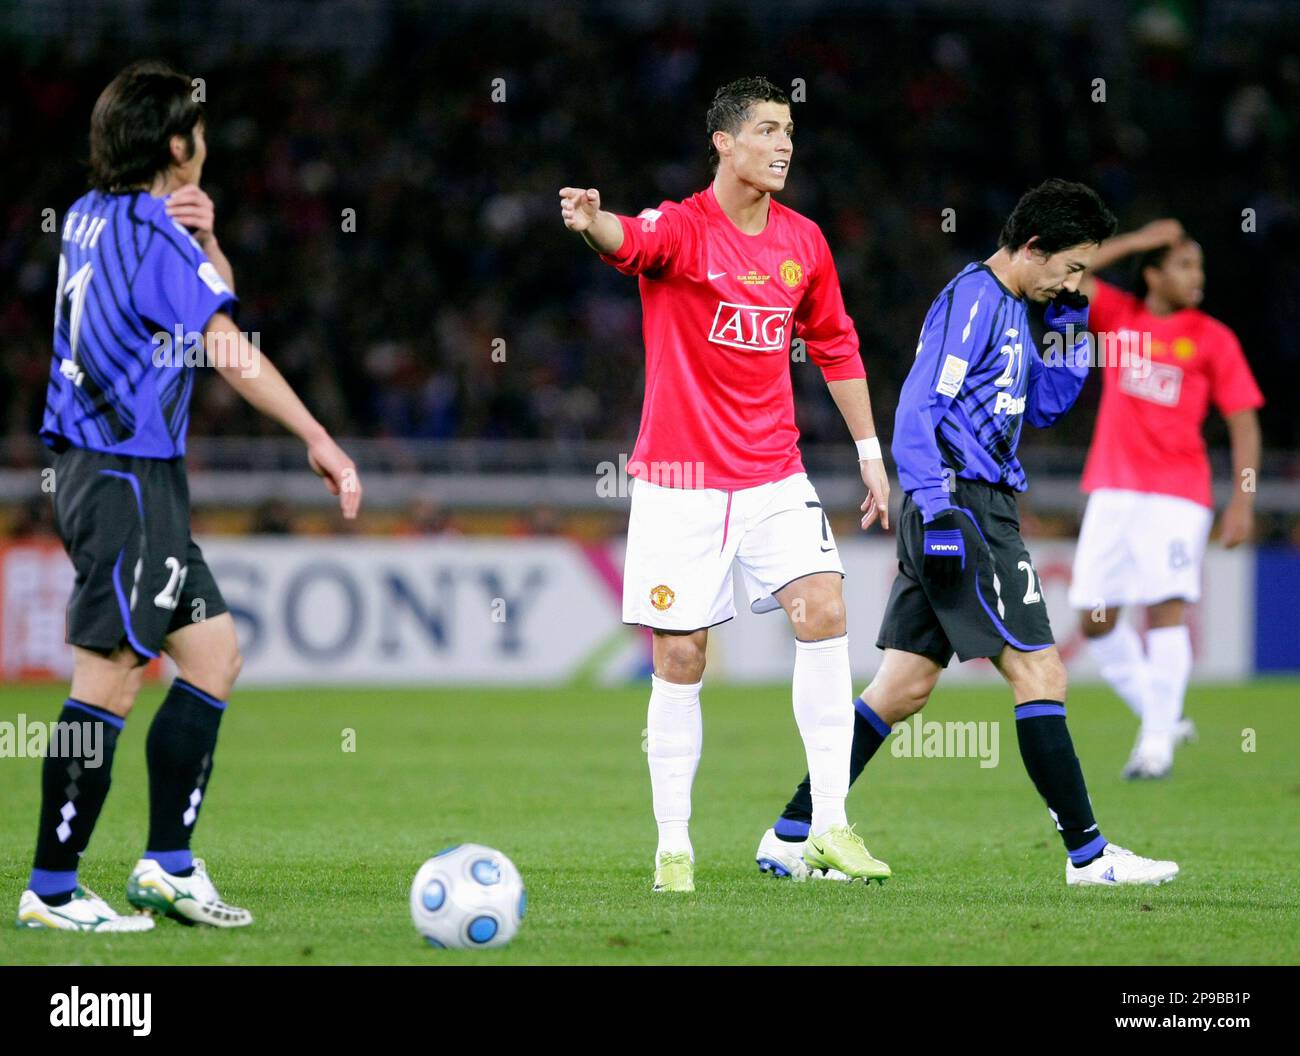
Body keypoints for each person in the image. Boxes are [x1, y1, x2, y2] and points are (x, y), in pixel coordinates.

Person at [17, 61, 362, 932]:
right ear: (179, 144)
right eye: (199, 134)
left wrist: (206, 242)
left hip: (123, 477)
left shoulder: (94, 218)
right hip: (124, 477)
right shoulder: (152, 231)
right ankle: (51, 888)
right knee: (109, 679)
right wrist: (318, 436)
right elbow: (225, 345)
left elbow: (197, 296)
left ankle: (167, 866)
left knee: (212, 656)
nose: (206, 145)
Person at [757, 180, 1179, 886]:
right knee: (1040, 670)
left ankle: (790, 835)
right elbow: (920, 407)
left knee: (902, 688)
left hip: (965, 504)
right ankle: (1089, 856)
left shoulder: (1016, 309)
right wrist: (939, 506)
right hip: (962, 505)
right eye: (1071, 268)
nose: (1073, 282)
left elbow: (1040, 405)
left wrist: (1073, 335)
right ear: (1034, 247)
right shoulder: (975, 300)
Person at [559, 76, 892, 891]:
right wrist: (591, 221)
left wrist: (869, 452)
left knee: (825, 609)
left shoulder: (804, 243)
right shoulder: (682, 229)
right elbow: (625, 240)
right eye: (768, 130)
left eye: (789, 131)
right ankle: (674, 844)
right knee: (681, 658)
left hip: (776, 472)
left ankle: (830, 825)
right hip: (682, 482)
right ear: (725, 142)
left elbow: (838, 345)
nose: (784, 145)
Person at [1070, 220, 1264, 778]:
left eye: (1199, 266)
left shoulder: (1213, 338)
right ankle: (1165, 716)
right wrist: (1137, 240)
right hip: (1112, 487)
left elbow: (1244, 424)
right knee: (1095, 621)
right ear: (1153, 274)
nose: (1197, 277)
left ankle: (1154, 747)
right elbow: (1068, 271)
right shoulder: (1120, 317)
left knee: (1164, 611)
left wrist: (1243, 500)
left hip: (1177, 497)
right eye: (1183, 265)